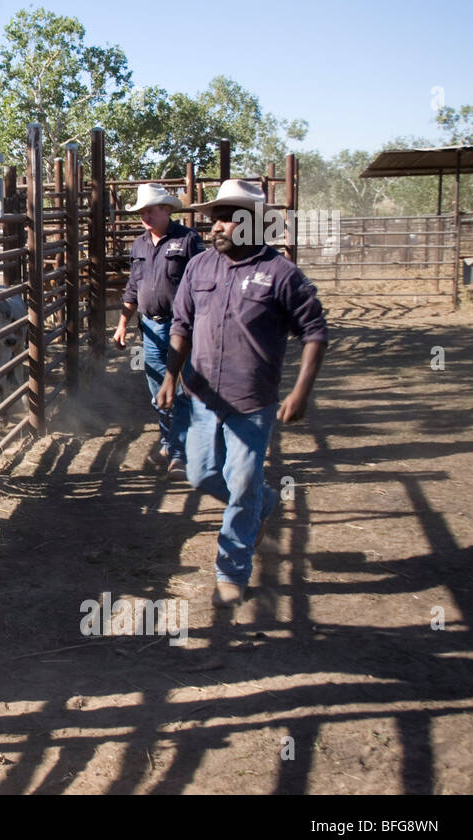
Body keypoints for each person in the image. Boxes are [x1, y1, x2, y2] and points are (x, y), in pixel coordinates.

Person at [157, 179, 328, 608]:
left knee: (244, 479)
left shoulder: (280, 273)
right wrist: (169, 378)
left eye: (228, 218)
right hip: (201, 395)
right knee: (200, 475)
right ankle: (264, 504)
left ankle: (231, 570)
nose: (216, 225)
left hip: (252, 399)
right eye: (214, 217)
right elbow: (181, 326)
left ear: (253, 223)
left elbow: (315, 331)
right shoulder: (199, 267)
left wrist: (301, 391)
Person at [112, 182, 206, 481]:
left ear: (166, 210)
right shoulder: (139, 245)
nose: (145, 216)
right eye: (141, 212)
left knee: (185, 389)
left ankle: (178, 453)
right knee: (159, 392)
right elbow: (132, 287)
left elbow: (202, 284)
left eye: (150, 210)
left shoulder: (189, 240)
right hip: (150, 326)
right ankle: (171, 443)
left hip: (185, 327)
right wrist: (122, 323)